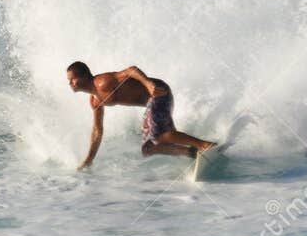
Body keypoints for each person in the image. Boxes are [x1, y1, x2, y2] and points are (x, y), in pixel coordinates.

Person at [66, 61, 215, 170]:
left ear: (85, 76)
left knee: (158, 135)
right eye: (68, 80)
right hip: (151, 103)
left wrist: (149, 84)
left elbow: (131, 70)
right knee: (149, 148)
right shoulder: (95, 101)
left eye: (73, 79)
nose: (70, 83)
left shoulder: (103, 82)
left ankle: (205, 145)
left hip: (158, 92)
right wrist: (89, 160)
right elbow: (97, 131)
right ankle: (192, 152)